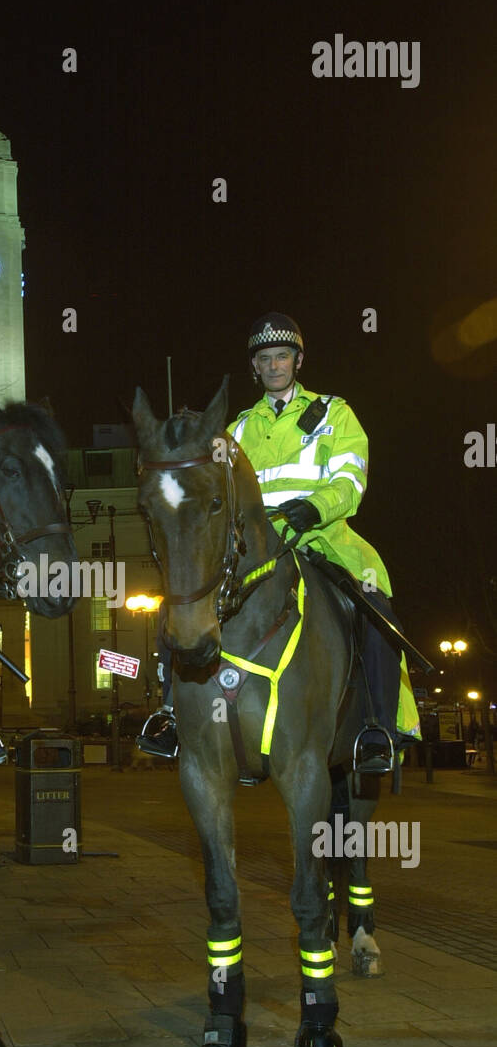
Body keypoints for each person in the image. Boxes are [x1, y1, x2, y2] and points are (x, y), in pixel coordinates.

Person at [139, 312, 421, 771]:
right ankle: (169, 713)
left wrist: (315, 508)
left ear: (298, 360)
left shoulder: (335, 412)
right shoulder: (239, 429)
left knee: (376, 609)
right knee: (181, 600)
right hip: (254, 546)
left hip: (323, 538)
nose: (274, 366)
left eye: (282, 356)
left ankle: (379, 727)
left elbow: (351, 477)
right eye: (265, 358)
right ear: (255, 367)